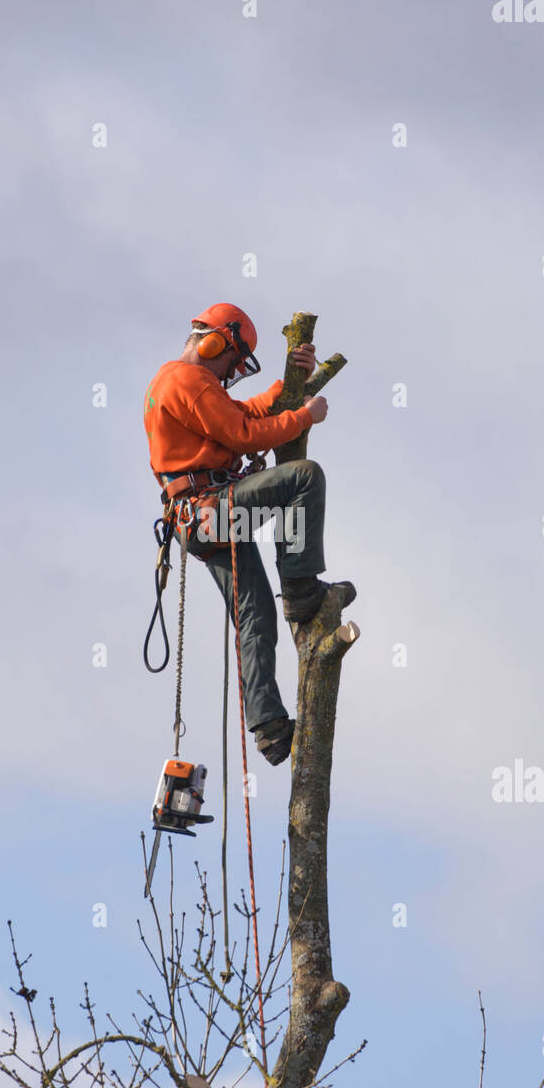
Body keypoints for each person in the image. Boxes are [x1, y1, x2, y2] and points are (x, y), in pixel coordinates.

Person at [144, 302, 350, 765]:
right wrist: (304, 417)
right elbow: (242, 434)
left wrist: (290, 383)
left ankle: (270, 729)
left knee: (255, 613)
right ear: (213, 341)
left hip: (205, 521)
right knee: (303, 477)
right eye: (230, 360)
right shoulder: (186, 380)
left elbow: (244, 411)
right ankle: (299, 585)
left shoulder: (184, 385)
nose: (229, 372)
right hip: (209, 513)